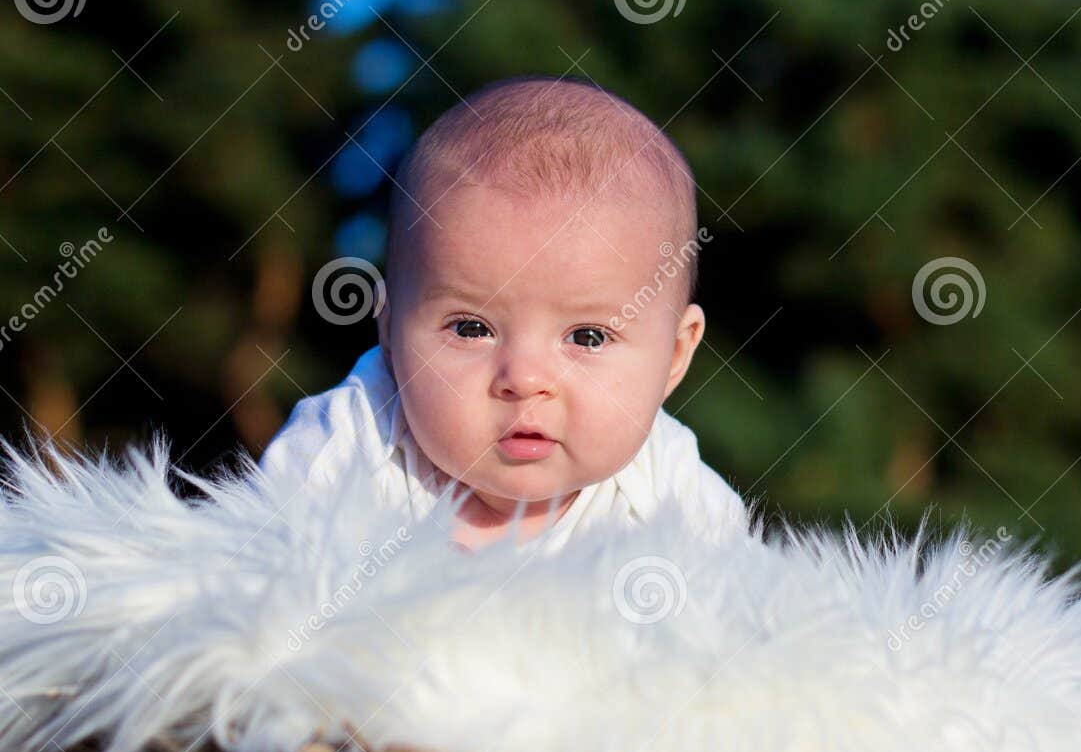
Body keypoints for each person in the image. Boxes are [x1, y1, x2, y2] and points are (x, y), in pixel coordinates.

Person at [256, 74, 748, 553]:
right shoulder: (344, 450)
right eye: (471, 328)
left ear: (675, 355)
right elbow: (250, 595)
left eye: (589, 337)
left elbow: (746, 618)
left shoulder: (678, 497)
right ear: (389, 331)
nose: (526, 380)